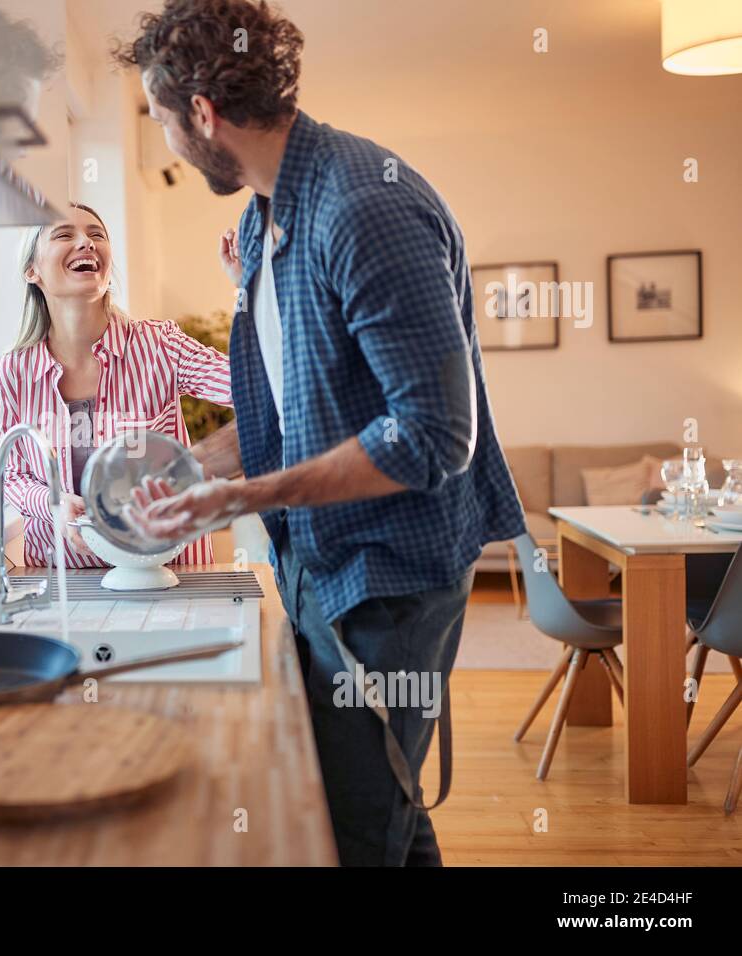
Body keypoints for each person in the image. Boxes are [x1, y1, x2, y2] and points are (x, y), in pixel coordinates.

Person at [114, 0, 526, 865]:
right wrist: (194, 473)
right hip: (319, 565)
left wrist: (245, 497)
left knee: (353, 826)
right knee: (384, 811)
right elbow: (286, 417)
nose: (169, 147)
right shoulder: (269, 219)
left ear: (202, 113)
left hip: (390, 579)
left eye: (160, 121)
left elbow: (432, 436)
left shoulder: (362, 206)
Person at [0, 202, 233, 569]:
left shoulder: (160, 345)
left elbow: (254, 388)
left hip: (172, 575)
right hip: (67, 581)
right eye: (64, 234)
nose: (86, 243)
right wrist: (53, 503)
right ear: (32, 271)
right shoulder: (12, 373)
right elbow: (13, 473)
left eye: (96, 234)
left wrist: (248, 292)